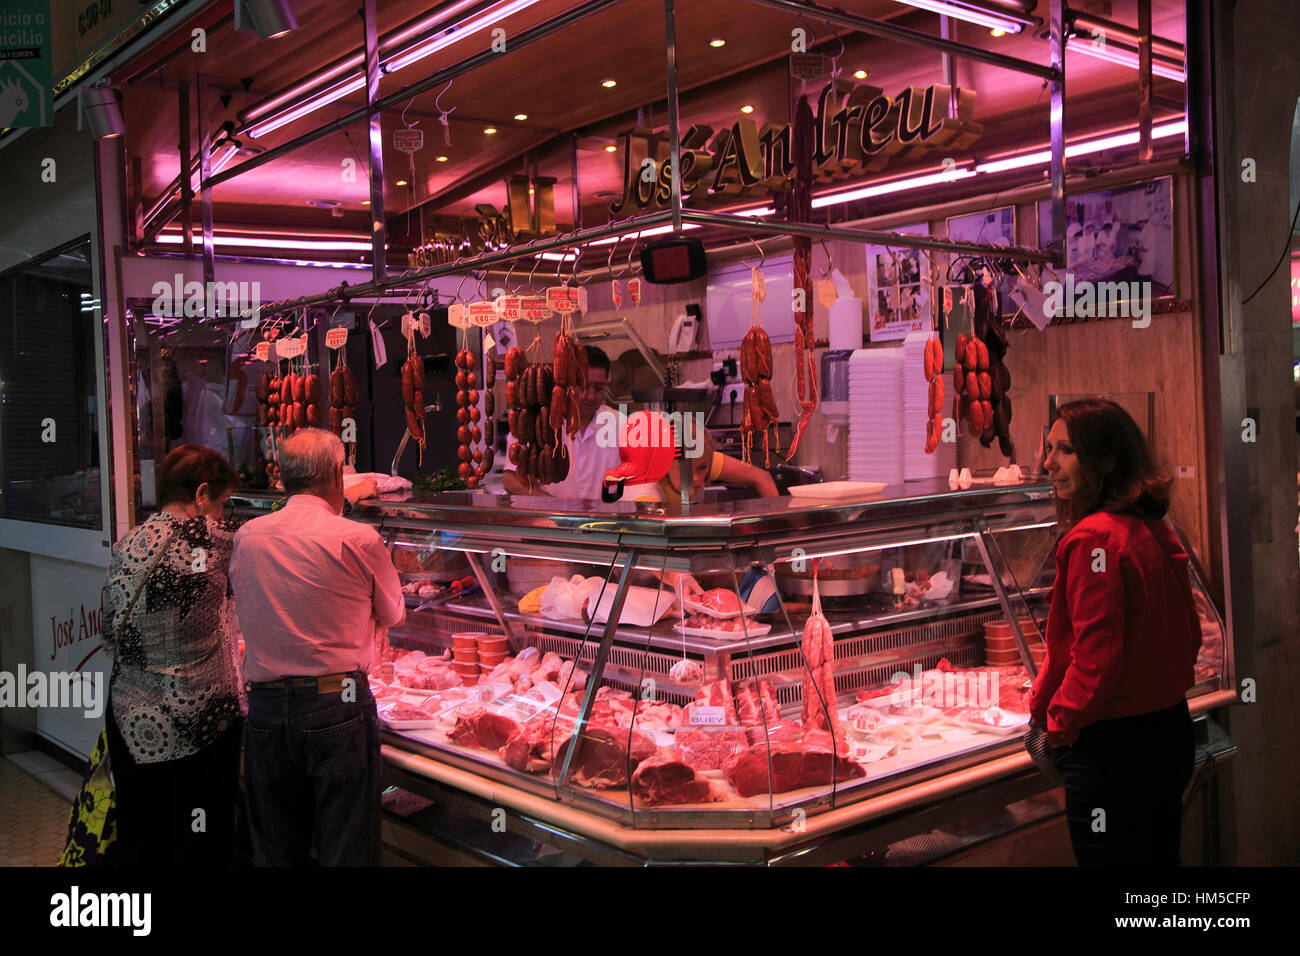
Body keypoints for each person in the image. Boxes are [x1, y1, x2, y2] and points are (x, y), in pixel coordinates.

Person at [1032, 399, 1202, 866]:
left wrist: (1056, 725)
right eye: (1049, 448)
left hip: (1114, 754)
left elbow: (1095, 660)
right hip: (1169, 734)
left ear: (1106, 460)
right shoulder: (1152, 525)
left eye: (1065, 450)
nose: (1048, 463)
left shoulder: (1093, 540)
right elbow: (1191, 635)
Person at [228, 428, 404, 866]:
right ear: (335, 477)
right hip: (336, 706)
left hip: (265, 712)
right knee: (346, 849)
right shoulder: (359, 539)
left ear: (285, 479)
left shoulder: (248, 535)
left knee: (276, 850)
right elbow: (395, 613)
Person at [99, 444, 244, 866]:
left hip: (131, 719)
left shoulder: (126, 544)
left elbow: (109, 634)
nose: (222, 512)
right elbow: (280, 535)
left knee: (145, 837)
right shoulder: (214, 540)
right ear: (200, 494)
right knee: (200, 841)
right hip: (200, 719)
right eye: (220, 502)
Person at [619, 418, 778, 597]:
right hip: (639, 579)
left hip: (682, 567)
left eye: (702, 468)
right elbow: (648, 549)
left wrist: (775, 539)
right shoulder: (644, 488)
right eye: (685, 468)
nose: (696, 478)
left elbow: (762, 479)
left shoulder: (699, 457)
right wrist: (680, 578)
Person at [503, 345, 620, 499]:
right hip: (548, 520)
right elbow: (510, 480)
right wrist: (551, 505)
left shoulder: (620, 423)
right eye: (583, 387)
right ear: (570, 382)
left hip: (602, 521)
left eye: (598, 388)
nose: (590, 396)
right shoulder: (535, 420)